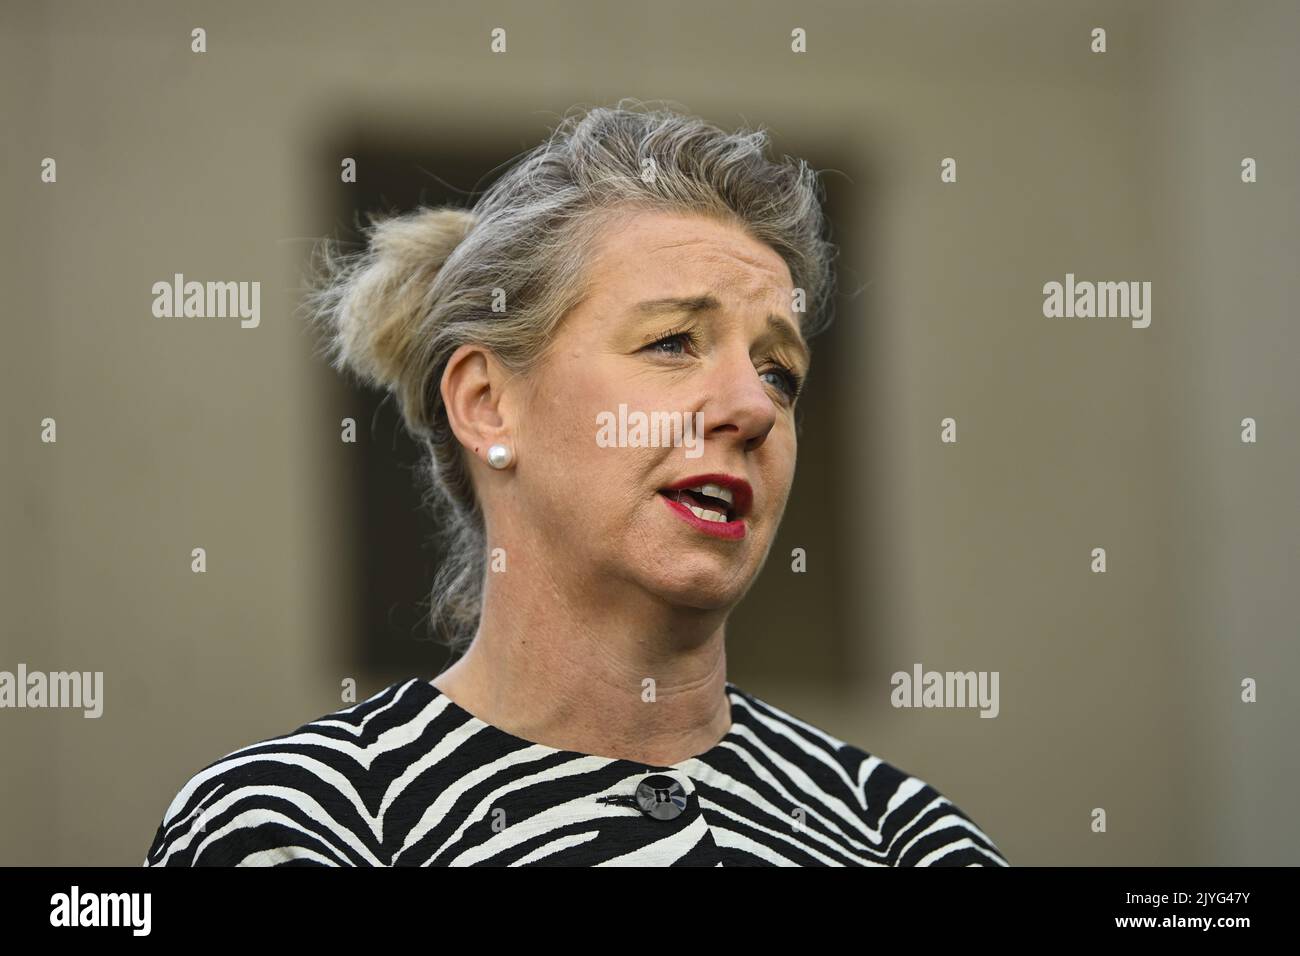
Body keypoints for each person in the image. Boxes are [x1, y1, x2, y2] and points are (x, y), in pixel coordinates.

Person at [143, 99, 1008, 866]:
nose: (753, 408)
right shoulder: (303, 822)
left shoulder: (904, 838)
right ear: (486, 405)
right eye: (673, 342)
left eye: (780, 371)